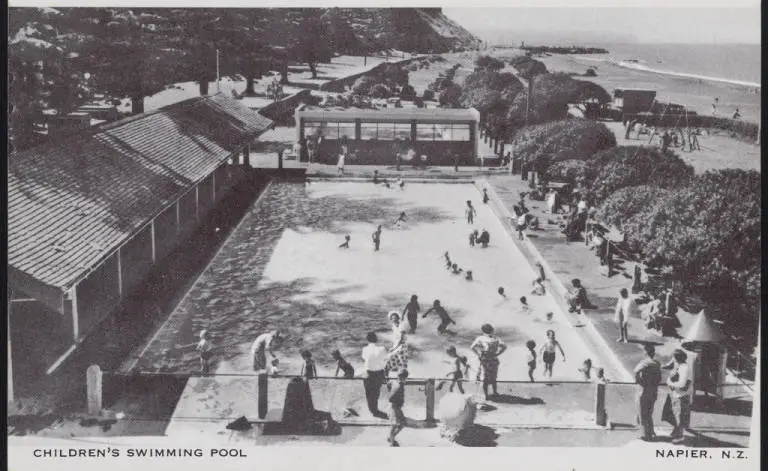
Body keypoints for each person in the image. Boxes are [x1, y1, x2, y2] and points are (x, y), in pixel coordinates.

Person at [662, 349, 692, 443]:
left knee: (679, 415)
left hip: (680, 395)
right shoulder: (680, 365)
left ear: (677, 358)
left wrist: (671, 383)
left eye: (673, 357)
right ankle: (676, 431)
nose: (672, 359)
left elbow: (682, 384)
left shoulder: (684, 368)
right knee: (672, 413)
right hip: (675, 394)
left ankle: (680, 436)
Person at [470, 324, 507, 399]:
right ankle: (495, 392)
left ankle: (486, 395)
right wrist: (498, 353)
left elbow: (472, 347)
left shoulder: (480, 338)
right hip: (494, 358)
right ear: (492, 330)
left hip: (485, 359)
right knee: (494, 376)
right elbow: (504, 347)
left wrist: (478, 355)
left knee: (486, 377)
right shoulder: (496, 338)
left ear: (483, 331)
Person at [634, 344, 662, 441]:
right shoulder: (657, 363)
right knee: (649, 413)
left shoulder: (644, 362)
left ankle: (644, 435)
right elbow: (659, 378)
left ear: (646, 352)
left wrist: (638, 380)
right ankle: (650, 432)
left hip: (643, 390)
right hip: (653, 390)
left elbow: (635, 371)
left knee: (642, 413)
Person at [362, 332, 389, 419]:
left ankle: (373, 410)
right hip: (378, 373)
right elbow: (386, 359)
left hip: (368, 373)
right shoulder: (382, 349)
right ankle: (375, 410)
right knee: (376, 392)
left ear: (367, 340)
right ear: (376, 339)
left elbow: (365, 358)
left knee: (369, 393)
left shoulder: (364, 349)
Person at [387, 369, 409, 447]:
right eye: (401, 377)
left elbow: (388, 384)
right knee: (394, 425)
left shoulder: (395, 382)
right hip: (394, 407)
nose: (402, 379)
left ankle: (391, 438)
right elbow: (391, 398)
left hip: (396, 407)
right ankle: (391, 443)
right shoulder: (400, 385)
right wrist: (397, 401)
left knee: (403, 423)